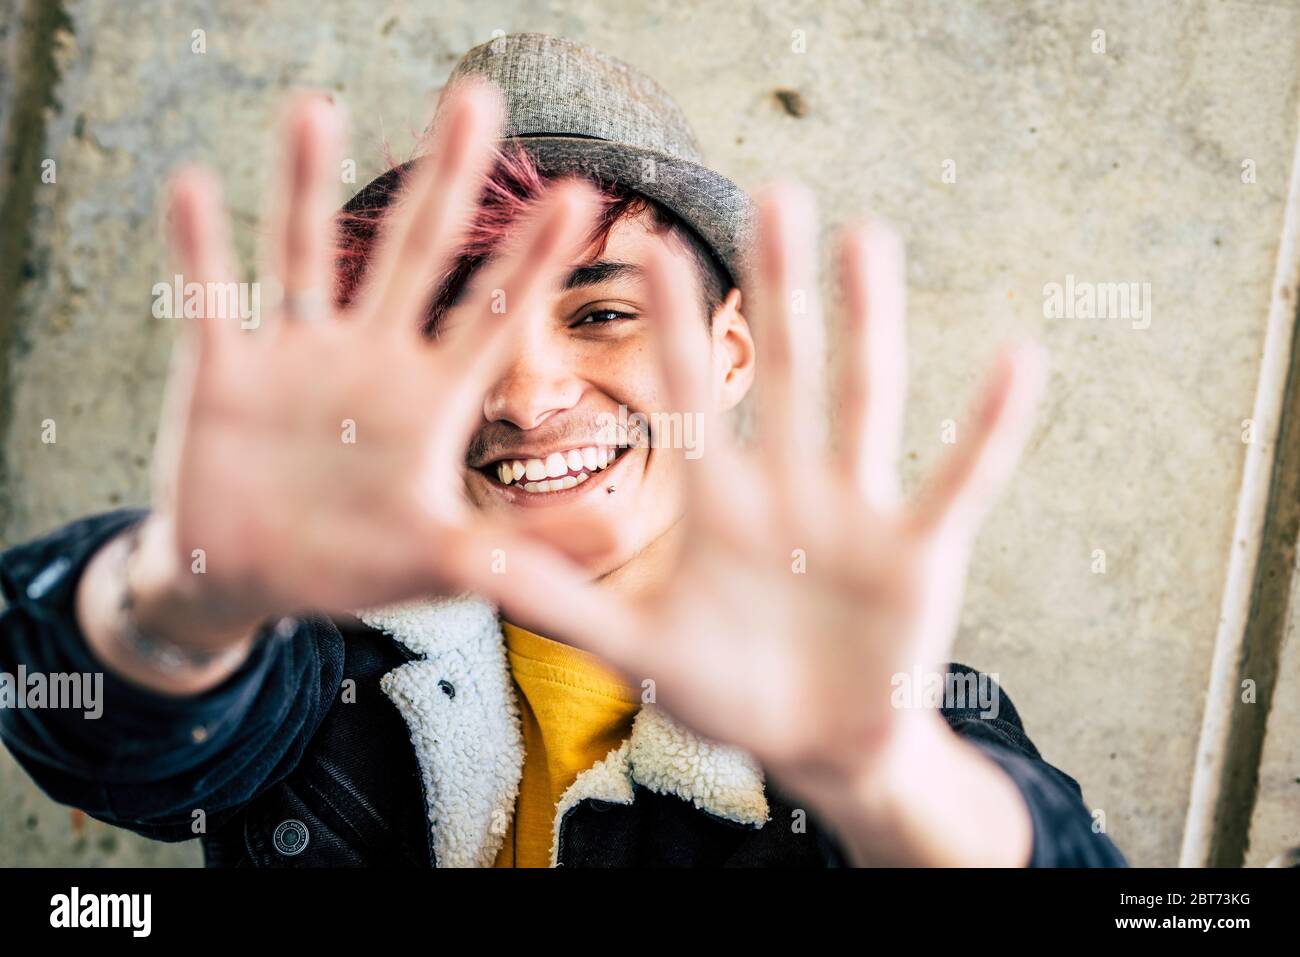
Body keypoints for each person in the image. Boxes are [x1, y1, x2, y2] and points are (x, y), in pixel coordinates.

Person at [0, 33, 1125, 867]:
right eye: (463, 329)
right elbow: (113, 733)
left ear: (729, 351)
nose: (528, 399)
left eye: (600, 315)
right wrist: (183, 609)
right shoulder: (320, 669)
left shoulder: (872, 697)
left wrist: (880, 783)